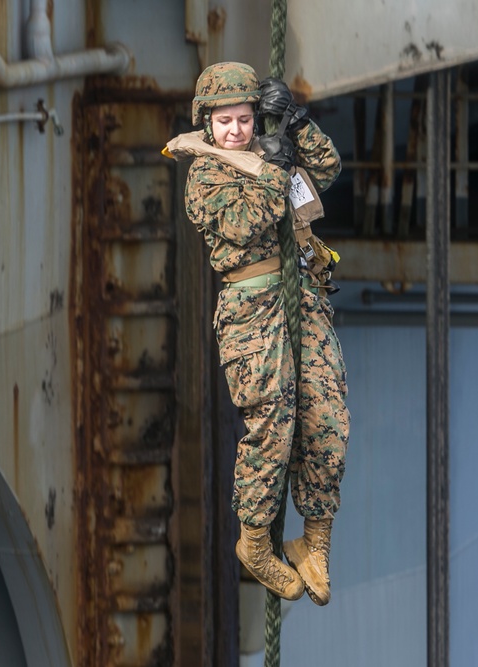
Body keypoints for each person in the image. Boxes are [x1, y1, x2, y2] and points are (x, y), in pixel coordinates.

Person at [163, 62, 350, 605]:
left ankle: (315, 540)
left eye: (245, 119)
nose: (236, 132)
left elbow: (328, 168)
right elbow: (248, 223)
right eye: (225, 122)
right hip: (250, 308)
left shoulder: (269, 147)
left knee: (327, 415)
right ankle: (254, 541)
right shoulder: (205, 175)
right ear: (206, 123)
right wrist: (273, 166)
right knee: (272, 422)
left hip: (302, 294)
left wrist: (294, 124)